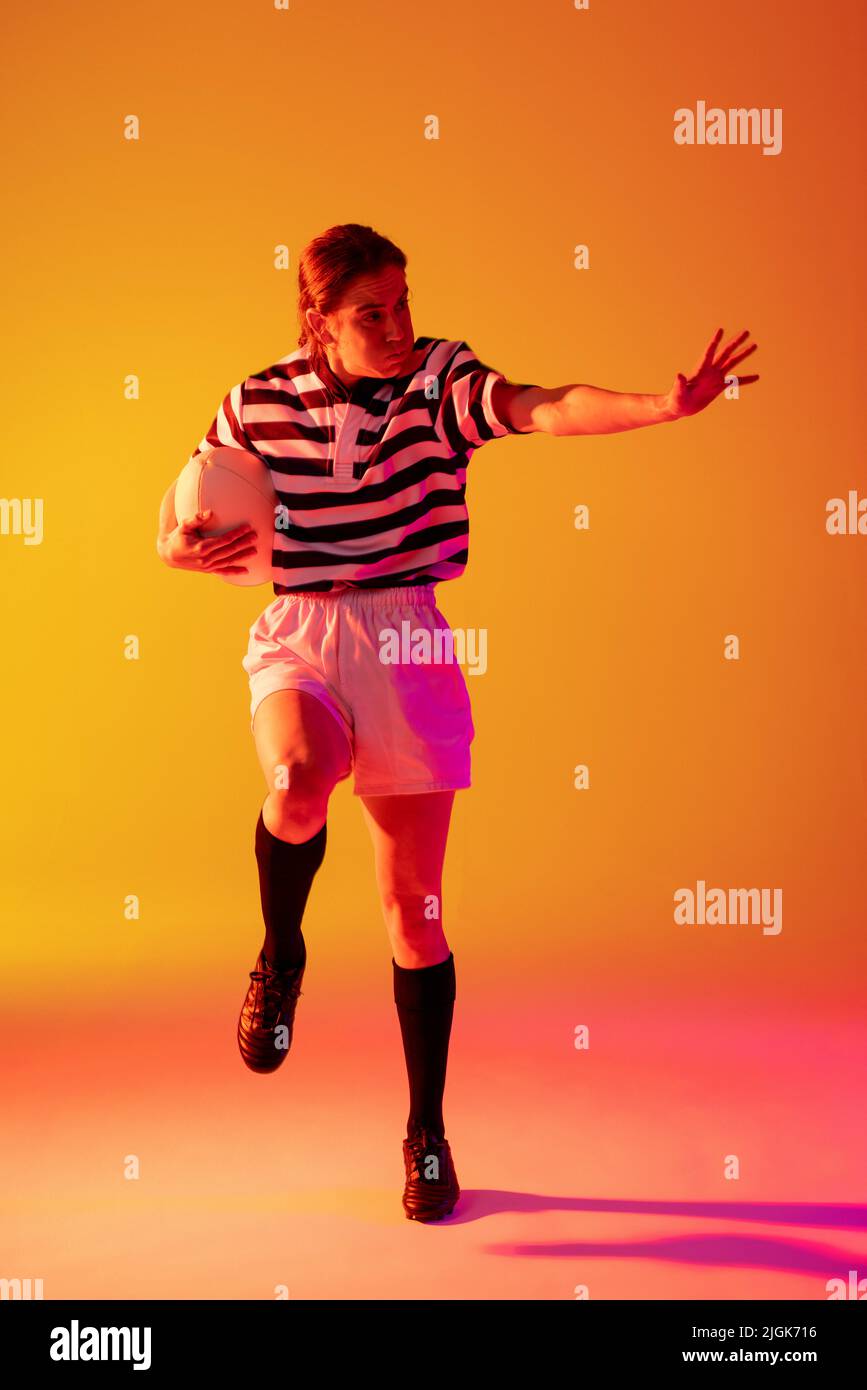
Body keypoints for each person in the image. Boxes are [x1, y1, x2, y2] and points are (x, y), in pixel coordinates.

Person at [156, 222, 759, 1222]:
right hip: (303, 629)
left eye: (404, 302)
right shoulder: (255, 401)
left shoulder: (439, 381)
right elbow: (181, 517)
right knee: (299, 784)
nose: (397, 327)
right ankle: (280, 955)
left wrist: (664, 403)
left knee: (414, 915)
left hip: (409, 641)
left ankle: (425, 1130)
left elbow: (542, 406)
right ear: (320, 318)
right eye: (372, 313)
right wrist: (181, 549)